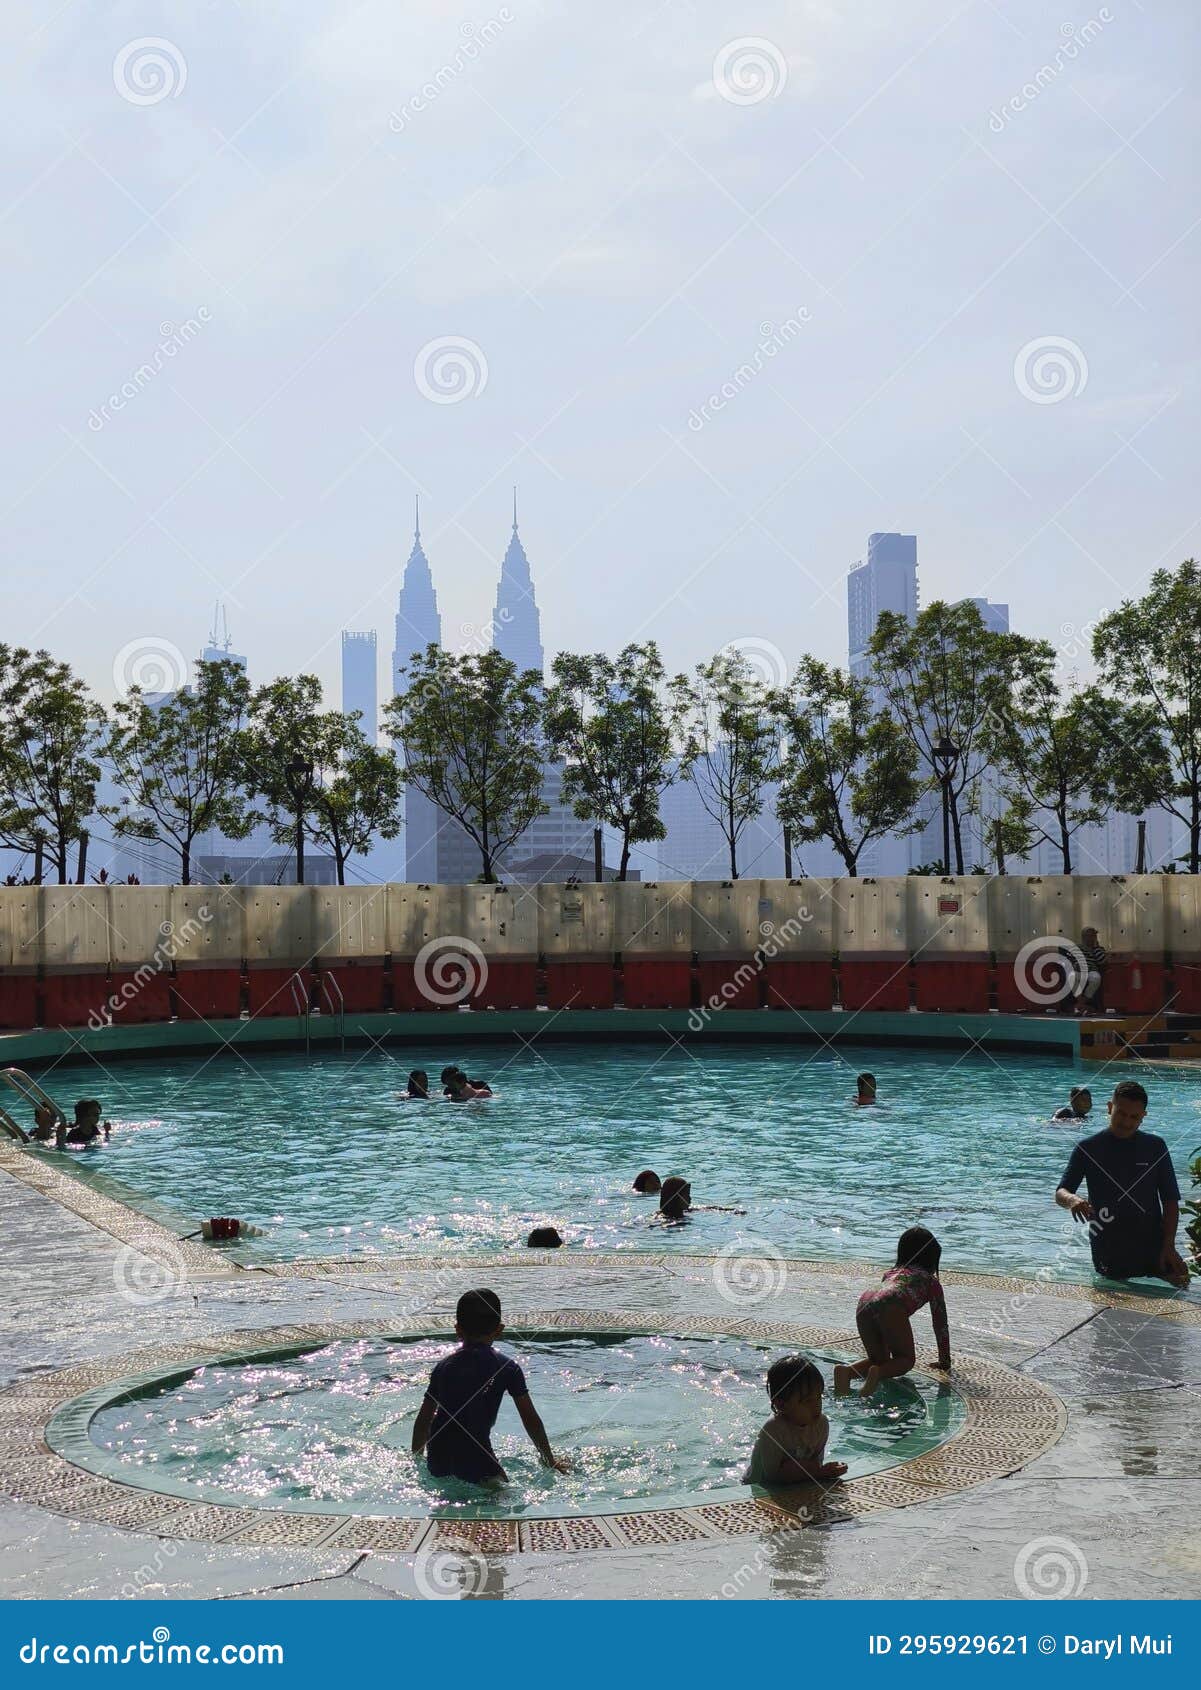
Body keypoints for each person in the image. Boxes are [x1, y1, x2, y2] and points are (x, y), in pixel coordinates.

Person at [411, 1288, 570, 1484]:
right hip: (476, 1452)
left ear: (457, 1329)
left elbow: (424, 1419)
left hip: (438, 1454)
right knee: (502, 1495)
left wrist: (416, 1459)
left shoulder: (443, 1367)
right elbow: (530, 1419)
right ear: (499, 1330)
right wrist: (549, 1460)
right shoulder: (507, 1368)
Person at [1055, 1078, 1190, 1287]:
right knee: (1116, 1300)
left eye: (1134, 1116)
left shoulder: (1155, 1146)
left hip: (1152, 1244)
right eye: (1121, 1113)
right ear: (1110, 1108)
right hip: (1109, 1248)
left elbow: (1170, 1200)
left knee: (1182, 1285)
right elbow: (1061, 1191)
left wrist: (1169, 1245)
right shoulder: (1088, 1148)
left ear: (1143, 1116)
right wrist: (1072, 1200)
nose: (1126, 1122)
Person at [834, 1227, 952, 1399]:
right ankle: (877, 1373)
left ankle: (846, 1372)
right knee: (905, 1360)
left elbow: (881, 1309)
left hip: (865, 1301)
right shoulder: (931, 1283)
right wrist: (944, 1360)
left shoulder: (890, 1273)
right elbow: (940, 1324)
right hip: (891, 1303)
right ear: (931, 1259)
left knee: (878, 1359)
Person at [743, 1354, 848, 1487]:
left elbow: (815, 1465)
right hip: (759, 1486)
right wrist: (818, 1472)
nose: (816, 1406)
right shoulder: (773, 1430)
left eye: (819, 1398)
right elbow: (772, 1477)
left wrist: (825, 1471)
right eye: (808, 1401)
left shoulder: (821, 1424)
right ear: (781, 1405)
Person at [655, 1176, 745, 1221]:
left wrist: (731, 1210)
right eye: (687, 1195)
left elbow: (711, 1208)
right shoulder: (661, 1219)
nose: (690, 1198)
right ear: (676, 1198)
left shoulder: (688, 1210)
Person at [1072, 927, 1107, 1015]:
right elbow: (1072, 960)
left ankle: (1080, 1004)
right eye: (1088, 936)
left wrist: (1096, 947)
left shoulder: (1099, 949)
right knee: (1071, 976)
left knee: (1096, 978)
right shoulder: (1077, 947)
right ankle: (1082, 1005)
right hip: (1079, 971)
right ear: (1083, 937)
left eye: (1093, 936)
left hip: (1091, 971)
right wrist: (1075, 965)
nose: (1091, 938)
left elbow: (1101, 960)